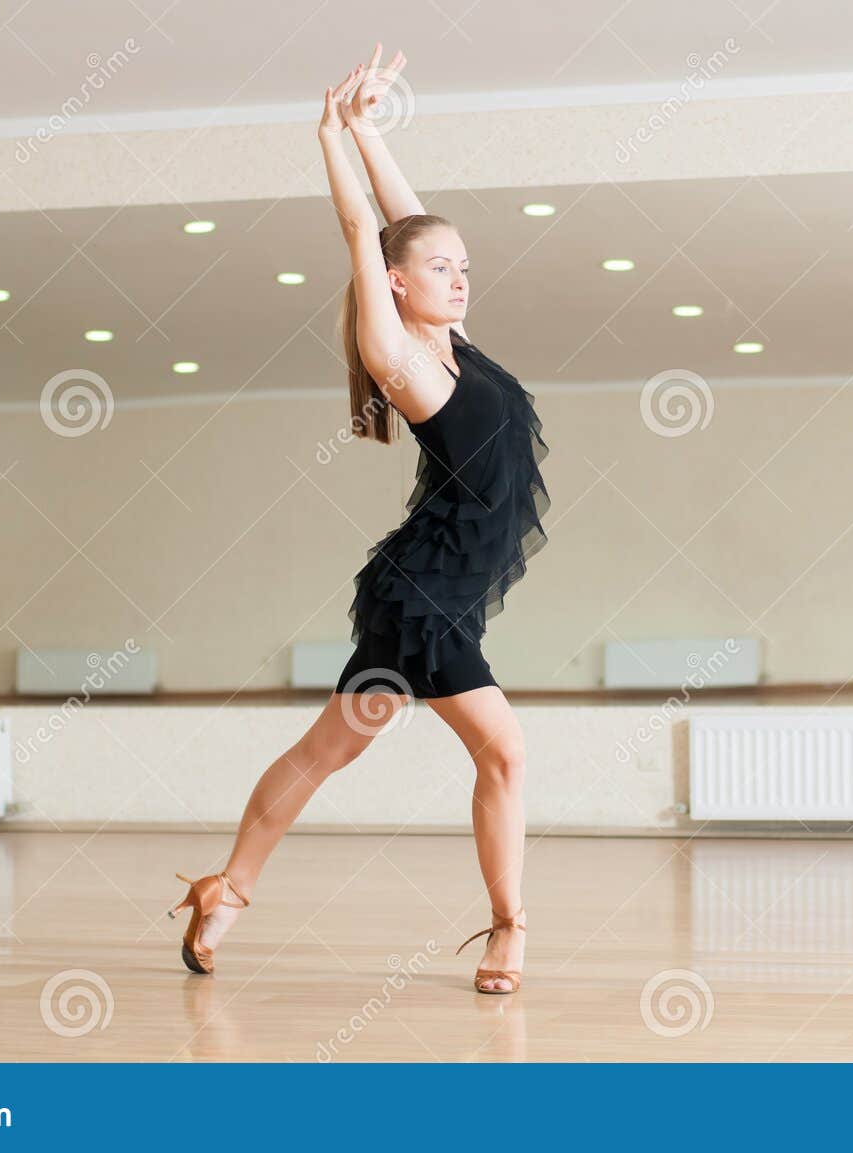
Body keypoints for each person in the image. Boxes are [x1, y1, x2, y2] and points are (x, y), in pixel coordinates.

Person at [169, 46, 549, 995]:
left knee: (329, 747)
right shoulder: (402, 357)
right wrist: (328, 136)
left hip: (436, 587)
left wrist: (372, 126)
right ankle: (509, 929)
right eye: (440, 271)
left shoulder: (451, 340)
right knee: (501, 751)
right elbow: (365, 227)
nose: (459, 280)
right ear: (394, 285)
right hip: (429, 596)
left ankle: (228, 889)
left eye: (465, 267)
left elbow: (407, 222)